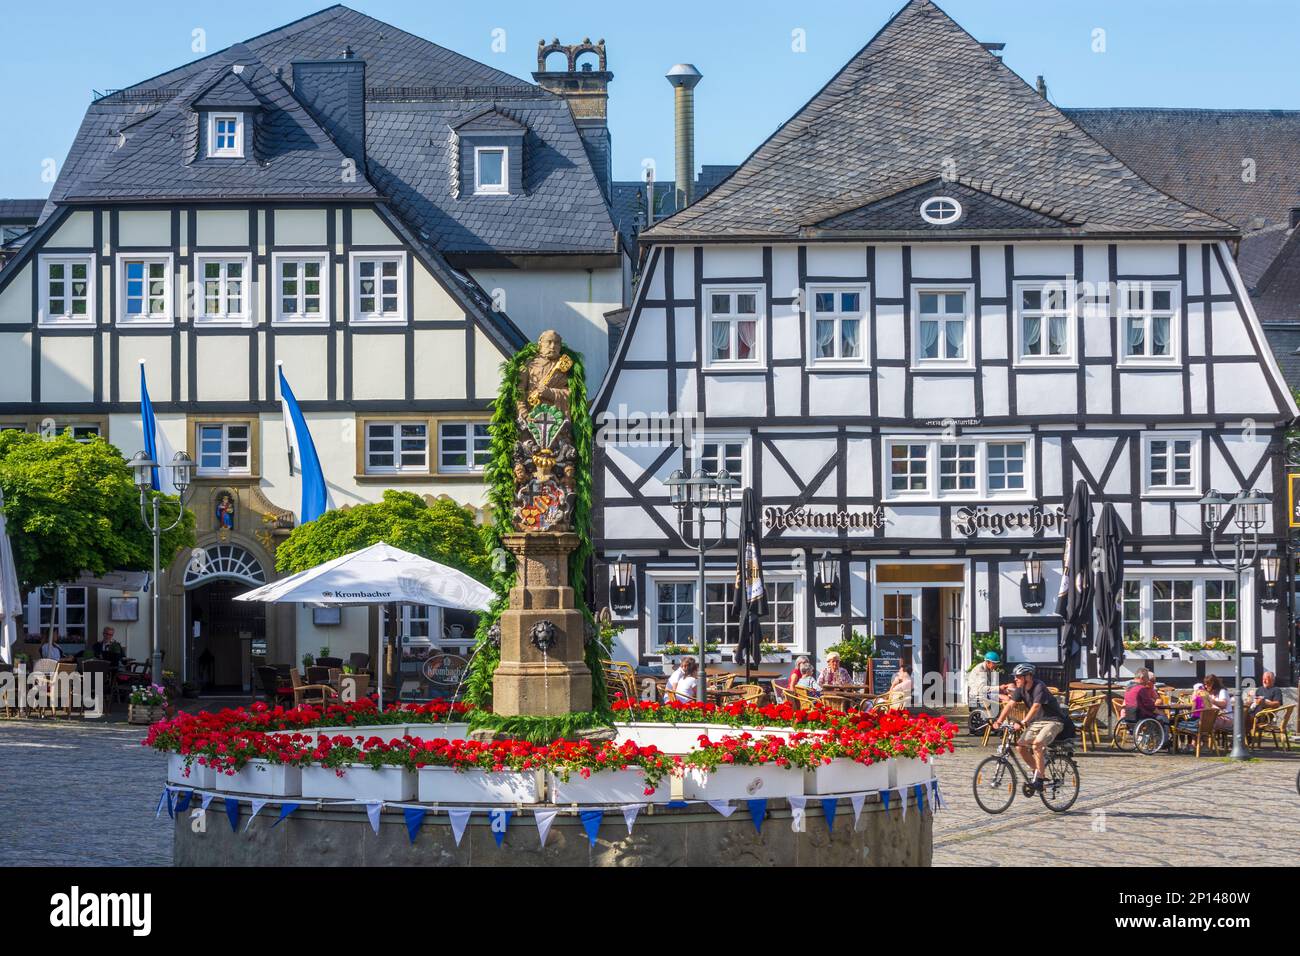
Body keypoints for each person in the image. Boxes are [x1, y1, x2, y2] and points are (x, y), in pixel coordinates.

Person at [992, 663, 1073, 793]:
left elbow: (1035, 707)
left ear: (1028, 677)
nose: (1015, 679)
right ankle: (1038, 771)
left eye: (1018, 677)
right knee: (1020, 746)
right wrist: (999, 721)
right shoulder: (1020, 689)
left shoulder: (1039, 686)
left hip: (1053, 721)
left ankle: (1039, 780)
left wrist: (1024, 722)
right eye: (1015, 677)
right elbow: (1010, 705)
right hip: (1037, 722)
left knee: (1037, 745)